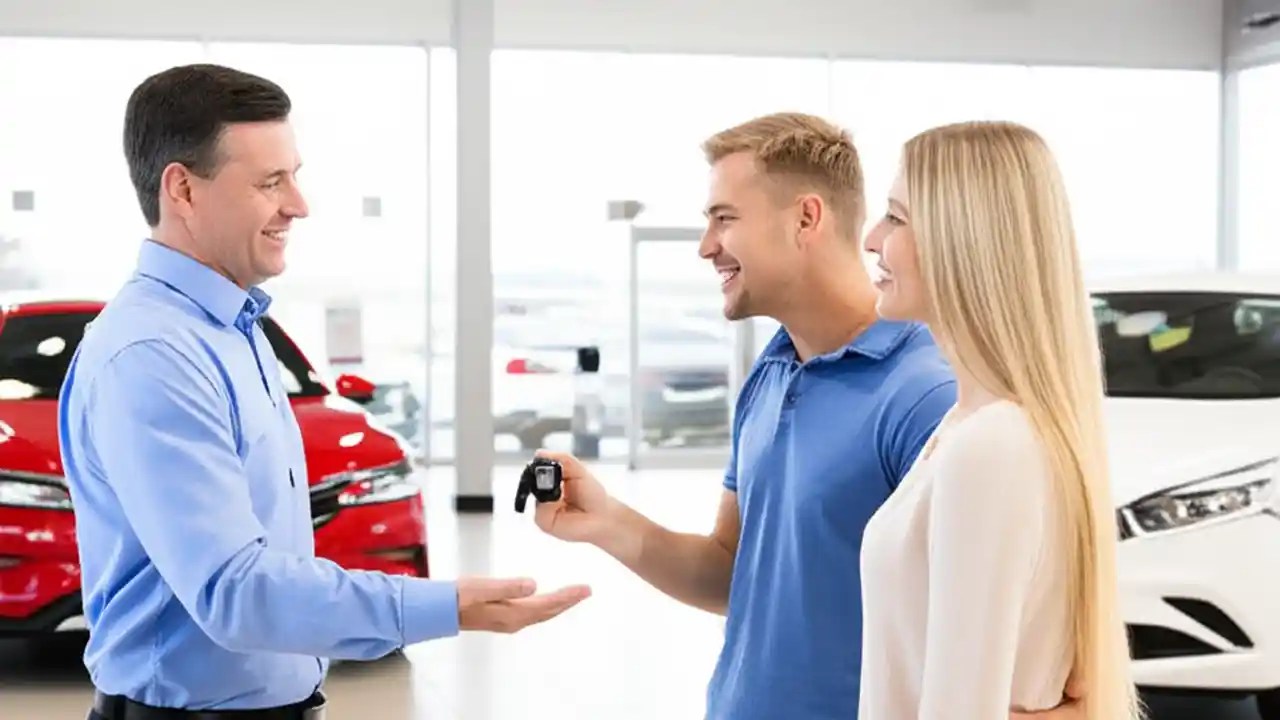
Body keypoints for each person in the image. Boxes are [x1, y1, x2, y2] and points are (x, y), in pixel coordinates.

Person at [57, 63, 590, 719]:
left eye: (294, 176)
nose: (298, 204)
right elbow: (235, 591)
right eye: (269, 182)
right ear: (183, 190)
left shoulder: (234, 326)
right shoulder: (153, 354)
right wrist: (443, 605)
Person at [531, 112, 1081, 719]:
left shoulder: (931, 397)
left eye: (724, 218)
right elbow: (734, 575)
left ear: (806, 218)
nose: (706, 246)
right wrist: (609, 521)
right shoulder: (771, 374)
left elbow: (999, 640)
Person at [857, 120, 1142, 719]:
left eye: (897, 217)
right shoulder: (970, 426)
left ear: (965, 239)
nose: (872, 237)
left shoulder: (992, 445)